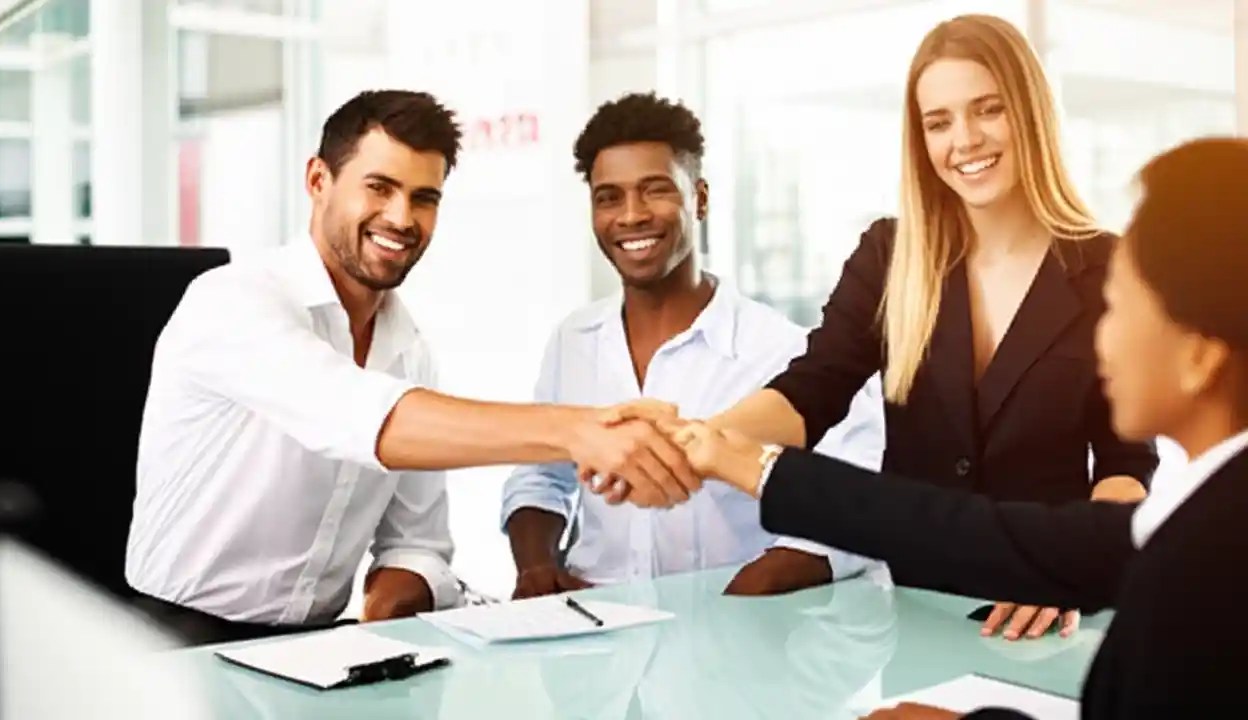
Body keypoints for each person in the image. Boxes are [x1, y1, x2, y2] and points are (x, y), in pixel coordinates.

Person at [606, 13, 1157, 640]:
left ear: (1029, 112)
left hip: (1045, 611)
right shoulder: (890, 256)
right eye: (939, 122)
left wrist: (1072, 567)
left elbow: (1125, 461)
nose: (966, 140)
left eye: (988, 109)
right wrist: (691, 439)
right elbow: (811, 392)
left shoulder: (1107, 270)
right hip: (917, 603)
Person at [660, 135, 1248, 719]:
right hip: (928, 618)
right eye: (938, 120)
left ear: (1200, 356)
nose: (1099, 337)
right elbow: (958, 529)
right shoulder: (1197, 521)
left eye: (1118, 308)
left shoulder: (1205, 568)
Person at [126, 89, 697, 645]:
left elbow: (416, 543)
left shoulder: (408, 348)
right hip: (172, 641)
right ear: (318, 181)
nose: (401, 217)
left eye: (424, 198)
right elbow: (354, 415)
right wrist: (579, 431)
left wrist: (393, 597)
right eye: (379, 188)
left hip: (318, 649)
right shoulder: (233, 301)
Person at [500, 92, 885, 598]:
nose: (630, 215)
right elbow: (539, 478)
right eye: (608, 197)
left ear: (699, 198)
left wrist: (756, 587)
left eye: (654, 190)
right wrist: (536, 566)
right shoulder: (573, 341)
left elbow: (858, 504)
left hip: (736, 634)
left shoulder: (790, 354)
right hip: (595, 631)